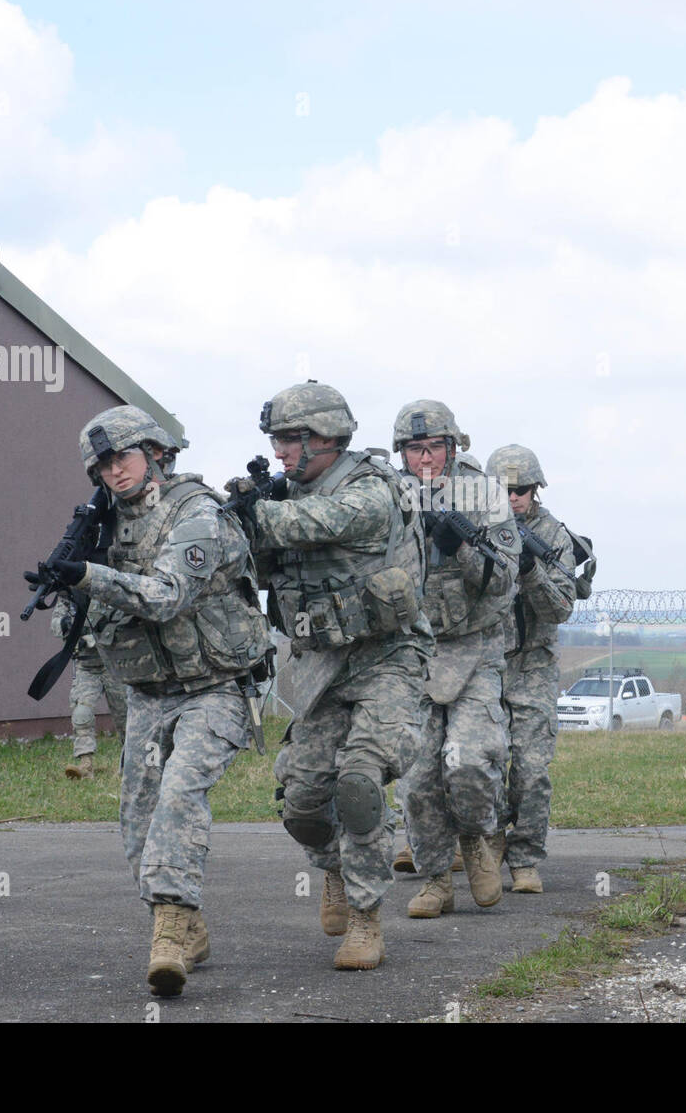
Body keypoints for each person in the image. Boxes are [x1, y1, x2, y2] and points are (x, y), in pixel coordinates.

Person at [30, 404, 271, 997]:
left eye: (124, 456)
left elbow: (166, 597)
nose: (115, 471)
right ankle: (187, 923)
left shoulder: (197, 512)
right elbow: (95, 615)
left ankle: (168, 935)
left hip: (217, 685)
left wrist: (87, 575)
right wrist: (71, 596)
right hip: (148, 693)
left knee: (179, 795)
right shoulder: (106, 522)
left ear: (157, 453)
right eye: (104, 464)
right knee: (136, 822)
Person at [236, 382, 432, 970]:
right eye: (273, 443)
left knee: (360, 782)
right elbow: (259, 559)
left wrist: (254, 514)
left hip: (387, 657)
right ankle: (335, 873)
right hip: (318, 664)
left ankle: (367, 920)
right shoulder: (287, 495)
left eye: (286, 442)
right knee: (301, 802)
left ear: (323, 436)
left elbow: (317, 523)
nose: (278, 455)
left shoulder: (370, 488)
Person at [395, 401, 521, 919]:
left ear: (453, 447)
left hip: (473, 648)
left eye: (434, 449)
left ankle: (476, 837)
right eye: (413, 450)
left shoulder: (483, 494)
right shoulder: (388, 493)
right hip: (411, 652)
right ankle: (433, 879)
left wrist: (461, 547)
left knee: (467, 761)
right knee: (419, 776)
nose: (424, 460)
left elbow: (507, 575)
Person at [484, 444, 577, 894]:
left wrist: (529, 571)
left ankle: (524, 858)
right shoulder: (476, 530)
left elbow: (561, 608)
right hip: (481, 663)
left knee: (532, 770)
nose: (513, 498)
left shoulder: (552, 535)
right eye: (503, 491)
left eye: (520, 490)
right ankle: (487, 844)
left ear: (534, 490)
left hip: (532, 666)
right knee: (479, 762)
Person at [50, 595, 128, 779]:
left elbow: (126, 620)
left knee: (128, 719)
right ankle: (86, 766)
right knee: (81, 714)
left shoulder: (109, 587)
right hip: (86, 666)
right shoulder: (70, 595)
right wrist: (68, 625)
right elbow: (55, 623)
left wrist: (100, 635)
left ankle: (130, 767)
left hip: (115, 664)